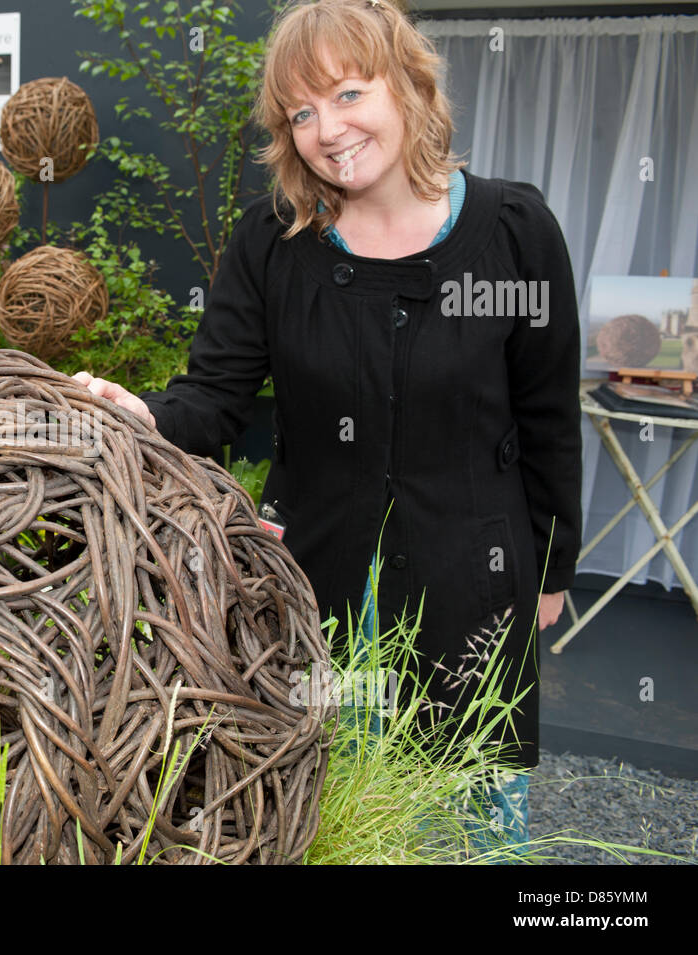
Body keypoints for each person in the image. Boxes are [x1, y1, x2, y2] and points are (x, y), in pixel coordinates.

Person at [73, 0, 583, 856]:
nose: (327, 130)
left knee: (464, 828)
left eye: (348, 94)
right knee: (321, 820)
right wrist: (139, 414)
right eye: (301, 113)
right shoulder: (273, 247)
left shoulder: (513, 235)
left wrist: (550, 569)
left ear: (410, 86)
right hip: (314, 593)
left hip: (474, 584)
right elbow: (214, 400)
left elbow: (549, 419)